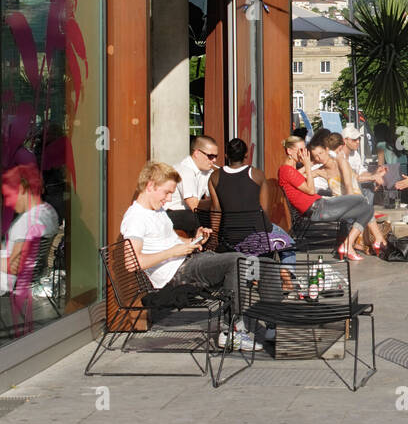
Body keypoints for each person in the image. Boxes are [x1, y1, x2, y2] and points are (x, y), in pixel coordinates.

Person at [121, 160, 261, 351]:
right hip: (176, 276)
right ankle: (232, 331)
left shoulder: (157, 210)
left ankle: (268, 326)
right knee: (236, 262)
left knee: (249, 259)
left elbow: (173, 244)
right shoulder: (135, 218)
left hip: (187, 263)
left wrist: (195, 241)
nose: (169, 199)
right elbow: (132, 262)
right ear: (150, 186)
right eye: (167, 192)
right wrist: (173, 252)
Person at [278, 136, 380, 261]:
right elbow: (311, 190)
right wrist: (308, 166)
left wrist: (310, 164)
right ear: (289, 151)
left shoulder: (290, 171)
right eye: (300, 150)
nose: (304, 153)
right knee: (361, 200)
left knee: (367, 209)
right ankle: (360, 243)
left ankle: (348, 245)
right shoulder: (286, 170)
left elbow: (303, 181)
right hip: (317, 208)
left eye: (304, 149)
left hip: (320, 205)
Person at [207, 138, 297, 276]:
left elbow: (216, 210)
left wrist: (214, 236)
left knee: (253, 241)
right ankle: (286, 273)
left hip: (229, 236)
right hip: (257, 232)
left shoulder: (214, 177)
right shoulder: (257, 174)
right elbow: (265, 210)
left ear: (226, 155)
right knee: (289, 243)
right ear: (246, 156)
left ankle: (253, 275)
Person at [0, 164, 60, 297]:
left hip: (4, 284)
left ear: (22, 189)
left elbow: (15, 267)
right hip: (35, 275)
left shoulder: (25, 223)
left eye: (8, 195)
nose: (7, 203)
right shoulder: (49, 211)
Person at [167, 135, 219, 236]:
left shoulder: (207, 172)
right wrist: (218, 201)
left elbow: (211, 196)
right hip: (170, 213)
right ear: (197, 153)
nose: (214, 160)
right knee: (202, 218)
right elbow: (194, 205)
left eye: (216, 156)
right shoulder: (185, 170)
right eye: (210, 156)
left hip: (187, 213)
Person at [340, 124, 384, 203]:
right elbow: (351, 177)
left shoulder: (355, 154)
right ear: (344, 140)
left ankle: (366, 210)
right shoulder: (338, 155)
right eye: (354, 139)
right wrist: (373, 177)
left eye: (359, 138)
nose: (358, 141)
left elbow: (361, 172)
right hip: (338, 189)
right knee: (364, 185)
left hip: (350, 187)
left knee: (369, 185)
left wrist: (375, 175)